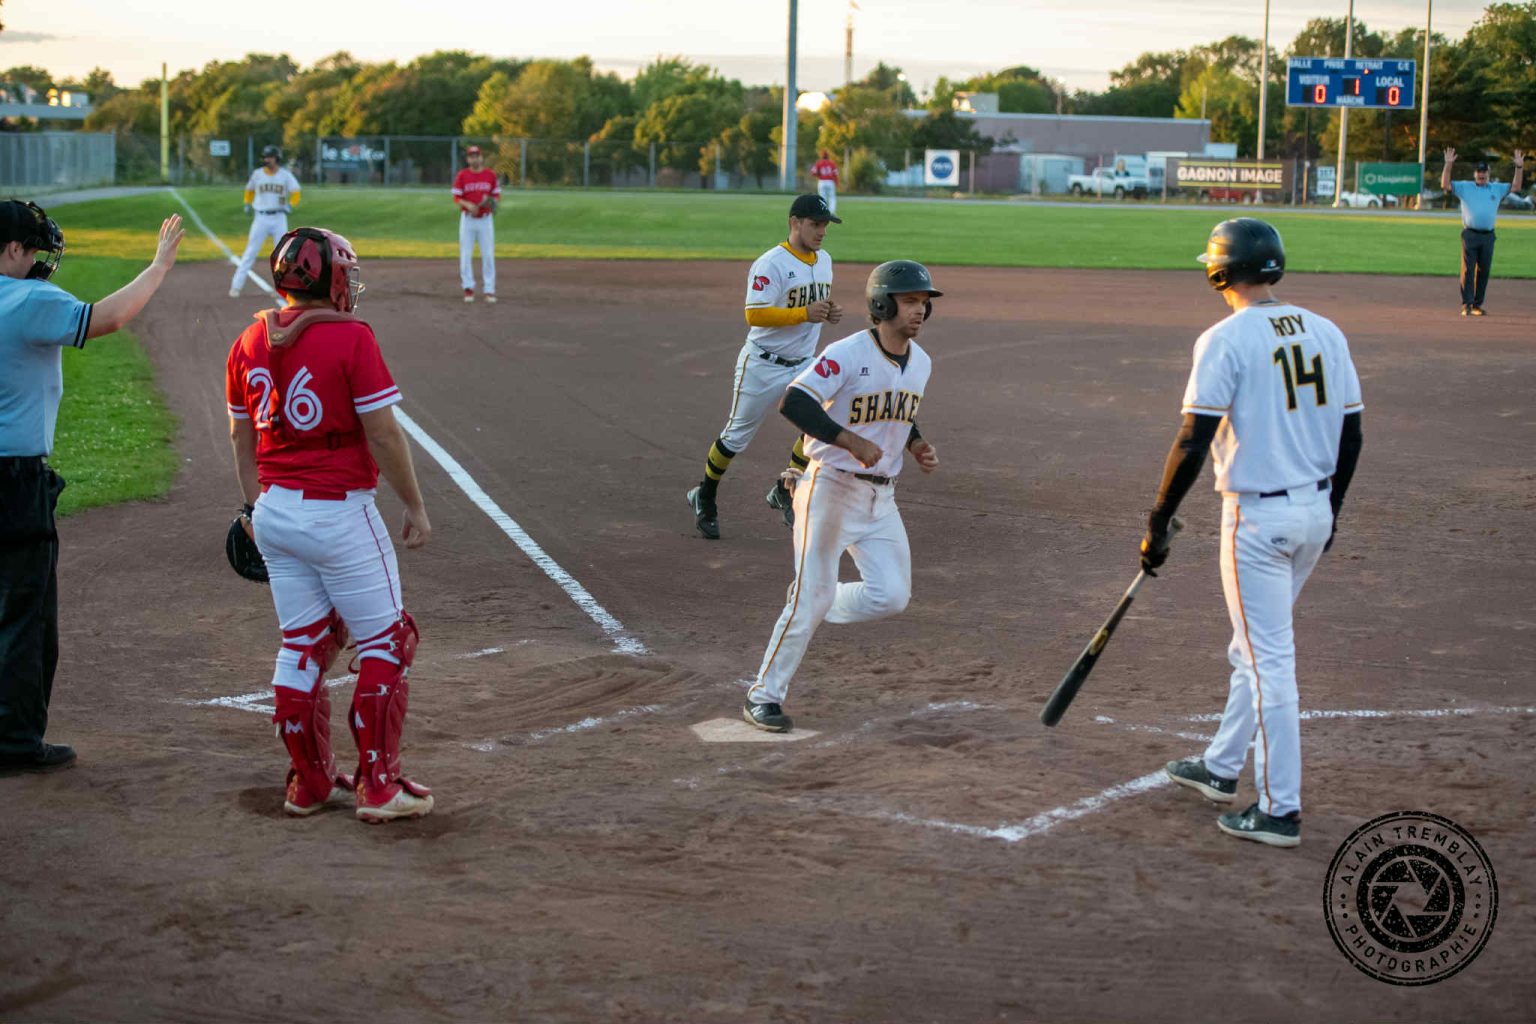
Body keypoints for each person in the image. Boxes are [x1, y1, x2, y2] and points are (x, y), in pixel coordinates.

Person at [1149, 218, 1364, 848]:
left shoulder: (1225, 338)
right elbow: (1352, 434)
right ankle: (1220, 766)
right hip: (1314, 511)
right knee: (1254, 646)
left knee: (1268, 659)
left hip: (1258, 521)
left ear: (1219, 273)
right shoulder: (1326, 330)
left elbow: (1193, 438)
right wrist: (1331, 511)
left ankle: (1279, 809)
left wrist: (1158, 520)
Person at [225, 226, 435, 823]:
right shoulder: (351, 336)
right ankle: (380, 787)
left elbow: (240, 435)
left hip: (275, 513)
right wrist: (415, 505)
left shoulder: (248, 338)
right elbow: (383, 433)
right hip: (339, 513)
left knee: (303, 643)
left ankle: (310, 782)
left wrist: (252, 508)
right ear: (334, 279)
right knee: (388, 643)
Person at [1, 201, 184, 775]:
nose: (37, 260)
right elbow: (105, 318)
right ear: (12, 249)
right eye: (31, 249)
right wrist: (158, 266)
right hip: (13, 481)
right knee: (25, 614)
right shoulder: (28, 300)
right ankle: (14, 742)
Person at [742, 260, 942, 732]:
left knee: (891, 596)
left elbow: (898, 407)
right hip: (829, 490)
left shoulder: (921, 362)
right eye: (910, 301)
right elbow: (794, 401)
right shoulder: (847, 354)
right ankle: (763, 696)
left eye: (923, 302)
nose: (919, 310)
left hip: (881, 499)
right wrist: (849, 441)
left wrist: (915, 444)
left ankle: (812, 598)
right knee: (811, 596)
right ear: (882, 305)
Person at [687, 194, 844, 540]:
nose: (822, 231)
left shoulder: (825, 260)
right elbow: (754, 314)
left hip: (803, 363)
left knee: (821, 422)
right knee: (736, 437)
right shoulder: (770, 264)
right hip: (762, 364)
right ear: (795, 223)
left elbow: (812, 304)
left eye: (825, 225)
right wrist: (804, 313)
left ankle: (783, 489)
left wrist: (828, 311)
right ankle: (705, 494)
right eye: (815, 224)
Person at [1440, 146, 1525, 316]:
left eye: (1484, 172)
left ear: (1488, 173)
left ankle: (1477, 305)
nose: (1481, 175)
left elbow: (1516, 186)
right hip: (1470, 234)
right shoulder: (1465, 187)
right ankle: (1467, 304)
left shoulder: (1496, 188)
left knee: (1484, 271)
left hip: (1488, 236)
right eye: (1479, 172)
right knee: (1468, 270)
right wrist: (1448, 164)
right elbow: (1445, 184)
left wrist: (1519, 167)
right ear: (1474, 174)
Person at [230, 146, 302, 298]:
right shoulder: (257, 174)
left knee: (283, 254)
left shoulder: (285, 175)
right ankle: (236, 286)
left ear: (277, 158)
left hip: (279, 218)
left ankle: (284, 289)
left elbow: (296, 191)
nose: (266, 160)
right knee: (250, 252)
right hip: (261, 218)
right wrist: (247, 203)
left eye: (269, 157)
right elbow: (249, 190)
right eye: (265, 157)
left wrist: (291, 205)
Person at [453, 145, 500, 303]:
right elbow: (456, 197)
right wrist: (468, 205)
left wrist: (489, 201)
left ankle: (489, 290)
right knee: (466, 255)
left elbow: (496, 196)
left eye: (477, 156)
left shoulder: (490, 175)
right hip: (468, 220)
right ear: (468, 159)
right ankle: (468, 288)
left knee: (488, 255)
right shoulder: (462, 175)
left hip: (485, 220)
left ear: (481, 157)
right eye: (471, 156)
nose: (474, 159)